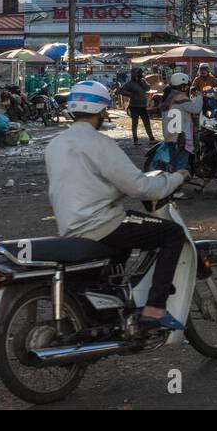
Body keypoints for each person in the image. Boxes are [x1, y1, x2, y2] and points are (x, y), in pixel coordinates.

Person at [44, 79, 190, 330]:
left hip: (69, 225)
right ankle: (155, 309)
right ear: (101, 112)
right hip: (100, 223)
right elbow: (139, 187)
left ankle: (110, 309)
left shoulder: (55, 144)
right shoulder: (100, 144)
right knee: (172, 234)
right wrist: (177, 177)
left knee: (126, 235)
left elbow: (83, 182)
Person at [160, 72, 202, 170]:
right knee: (180, 164)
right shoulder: (180, 97)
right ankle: (178, 181)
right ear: (182, 86)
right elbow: (196, 109)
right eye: (186, 85)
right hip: (181, 136)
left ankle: (172, 179)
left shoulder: (167, 96)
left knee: (174, 160)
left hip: (170, 135)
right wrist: (199, 96)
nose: (187, 88)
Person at [120, 68, 155, 147]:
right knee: (135, 123)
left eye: (140, 73)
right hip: (134, 106)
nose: (140, 75)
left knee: (147, 123)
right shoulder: (129, 83)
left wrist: (142, 82)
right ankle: (135, 140)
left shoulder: (142, 81)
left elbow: (148, 88)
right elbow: (121, 90)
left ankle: (151, 139)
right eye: (139, 73)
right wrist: (131, 95)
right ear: (134, 74)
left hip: (143, 106)